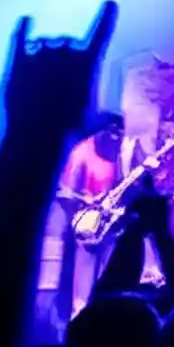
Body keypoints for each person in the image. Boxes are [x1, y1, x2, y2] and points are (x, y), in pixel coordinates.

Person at [55, 113, 128, 326]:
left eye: (120, 131)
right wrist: (86, 202)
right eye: (112, 130)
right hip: (86, 229)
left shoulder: (121, 153)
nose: (116, 136)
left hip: (112, 225)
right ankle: (78, 324)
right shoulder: (81, 154)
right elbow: (64, 194)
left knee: (109, 281)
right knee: (83, 290)